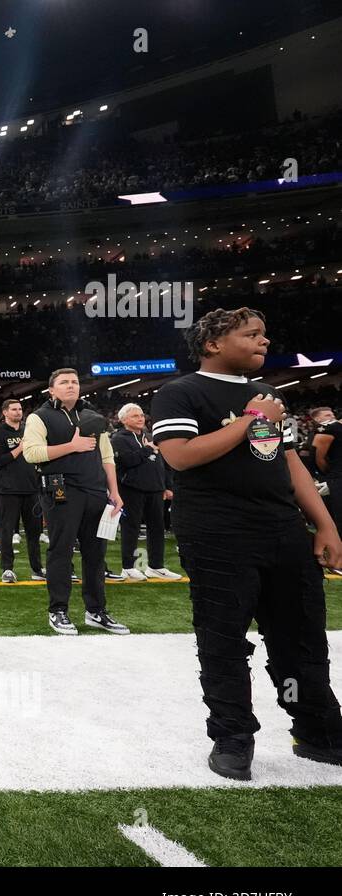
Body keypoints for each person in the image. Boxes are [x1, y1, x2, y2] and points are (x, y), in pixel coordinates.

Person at [152, 307, 342, 778]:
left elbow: (288, 462)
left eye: (264, 333)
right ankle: (233, 736)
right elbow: (180, 456)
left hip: (281, 530)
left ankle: (314, 728)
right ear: (213, 343)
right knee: (224, 641)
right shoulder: (180, 392)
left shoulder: (266, 393)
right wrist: (251, 418)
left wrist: (324, 523)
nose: (263, 341)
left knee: (299, 638)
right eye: (251, 334)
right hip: (217, 532)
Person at [22, 368, 130, 636]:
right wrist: (72, 446)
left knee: (96, 554)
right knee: (61, 551)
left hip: (95, 491)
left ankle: (96, 610)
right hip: (61, 491)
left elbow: (107, 456)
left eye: (75, 382)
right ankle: (57, 610)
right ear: (51, 389)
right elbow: (31, 454)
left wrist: (114, 491)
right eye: (64, 382)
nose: (71, 386)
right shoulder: (39, 417)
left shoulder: (93, 416)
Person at [110, 403, 180, 581]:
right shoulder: (119, 439)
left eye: (141, 415)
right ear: (123, 420)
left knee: (157, 528)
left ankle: (156, 566)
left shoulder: (150, 436)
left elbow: (163, 464)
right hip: (131, 490)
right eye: (135, 416)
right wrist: (148, 449)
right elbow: (127, 461)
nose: (140, 418)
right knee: (131, 528)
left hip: (156, 489)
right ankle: (128, 567)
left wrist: (167, 485)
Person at [0, 399, 44, 582]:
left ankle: (37, 569)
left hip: (31, 487)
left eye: (20, 409)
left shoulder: (29, 429)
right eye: (14, 409)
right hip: (8, 489)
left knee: (34, 532)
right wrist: (20, 448)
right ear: (5, 412)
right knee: (7, 530)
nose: (18, 412)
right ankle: (7, 569)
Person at [310, 407, 342, 554]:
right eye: (328, 414)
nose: (332, 416)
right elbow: (319, 457)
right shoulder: (329, 428)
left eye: (332, 413)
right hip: (336, 479)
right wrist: (332, 477)